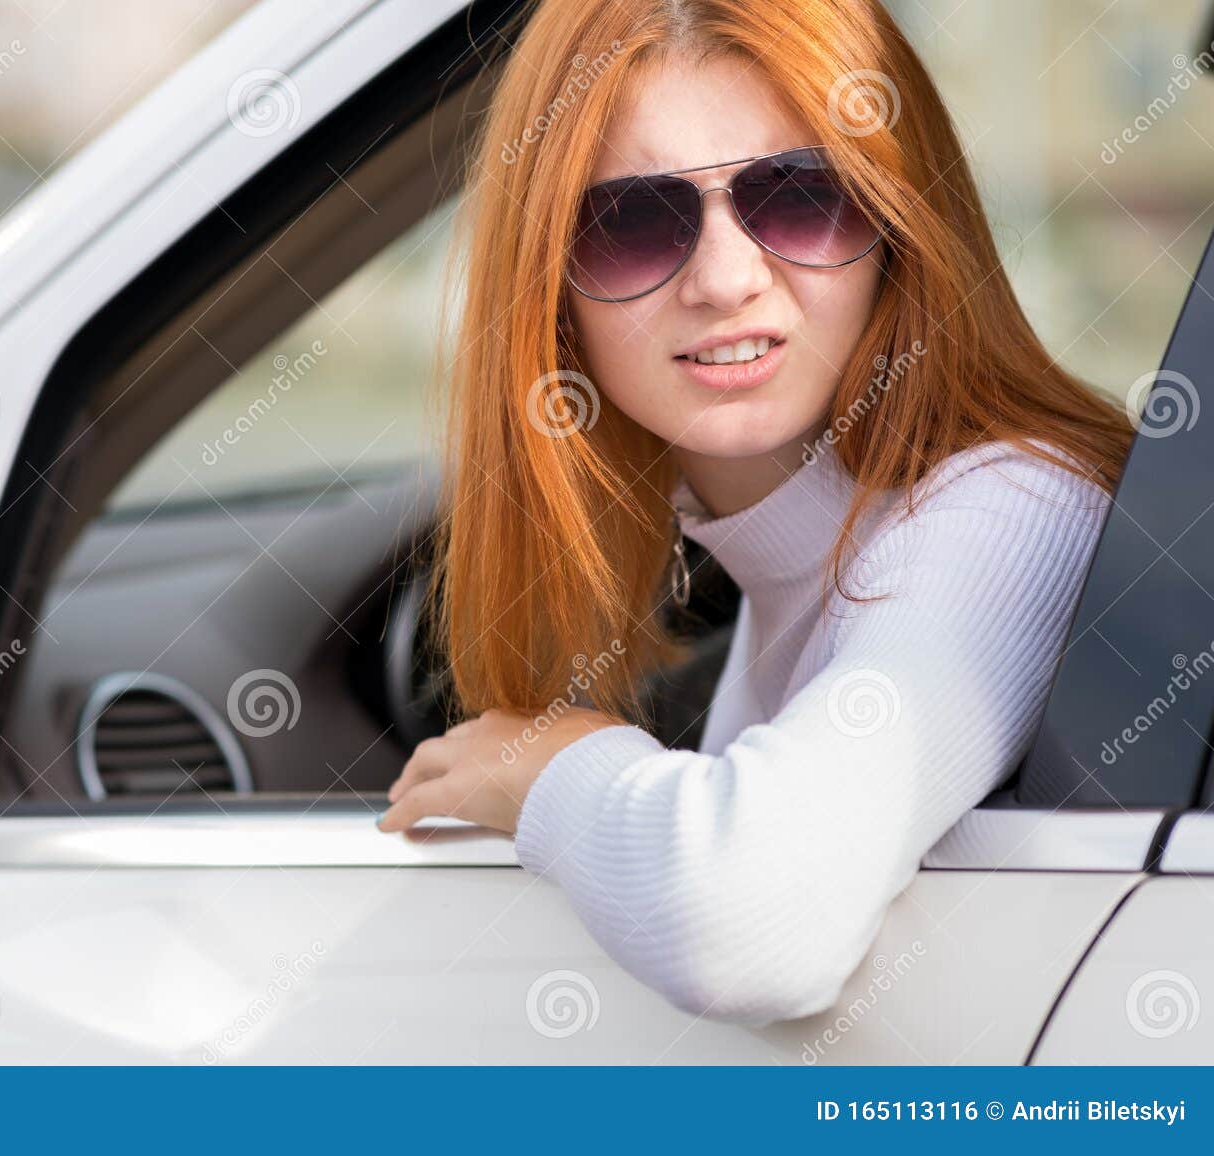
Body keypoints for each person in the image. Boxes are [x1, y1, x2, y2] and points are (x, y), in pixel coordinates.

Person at [373, 0, 1133, 1025]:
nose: (727, 280)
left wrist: (549, 767)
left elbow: (750, 921)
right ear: (548, 289)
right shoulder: (783, 557)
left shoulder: (1019, 502)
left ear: (899, 231)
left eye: (800, 198)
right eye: (632, 223)